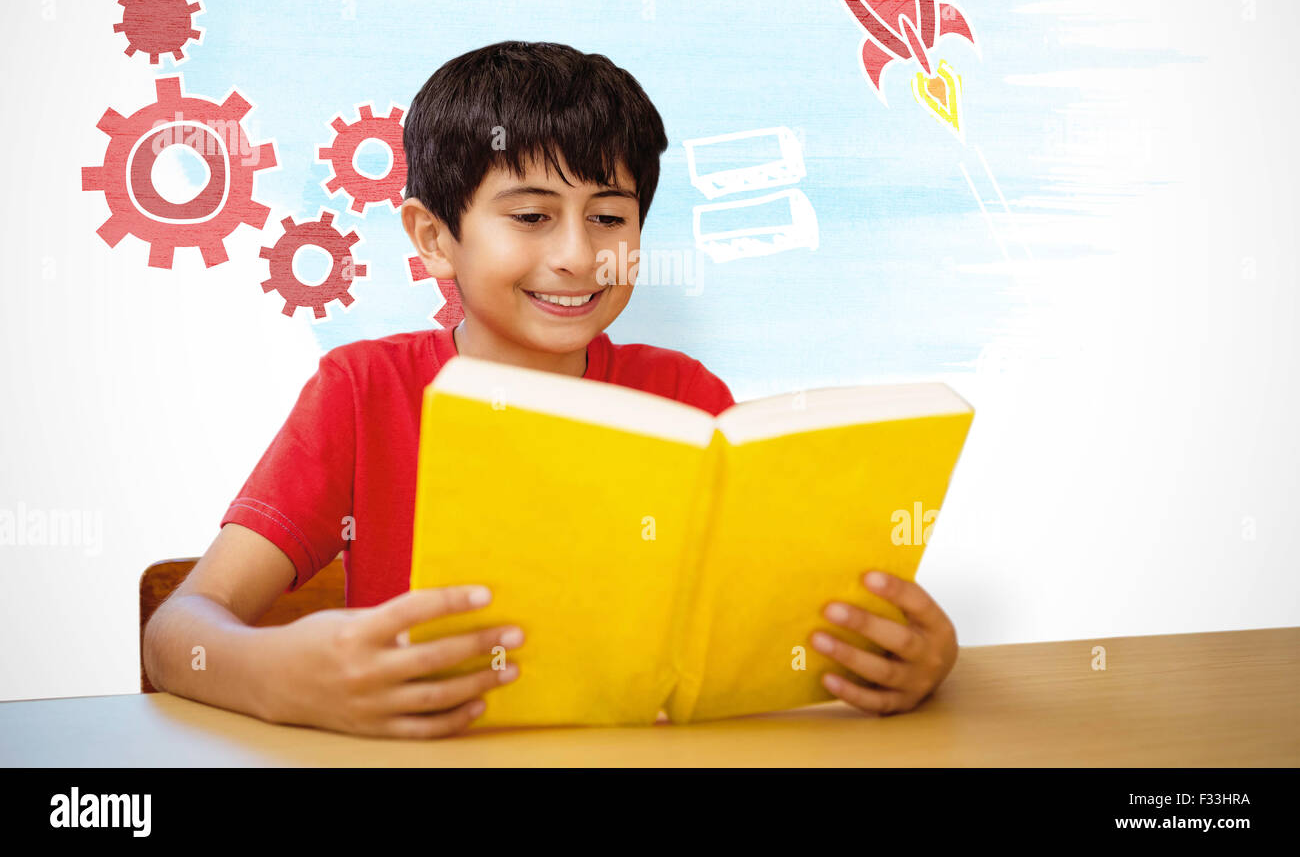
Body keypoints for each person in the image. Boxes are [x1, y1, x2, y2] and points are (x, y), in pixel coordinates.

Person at [142, 41, 957, 738]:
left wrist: (912, 655)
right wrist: (278, 677)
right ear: (433, 237)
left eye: (609, 217)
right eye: (531, 217)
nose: (576, 254)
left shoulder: (686, 395)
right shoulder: (364, 391)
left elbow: (770, 616)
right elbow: (177, 630)